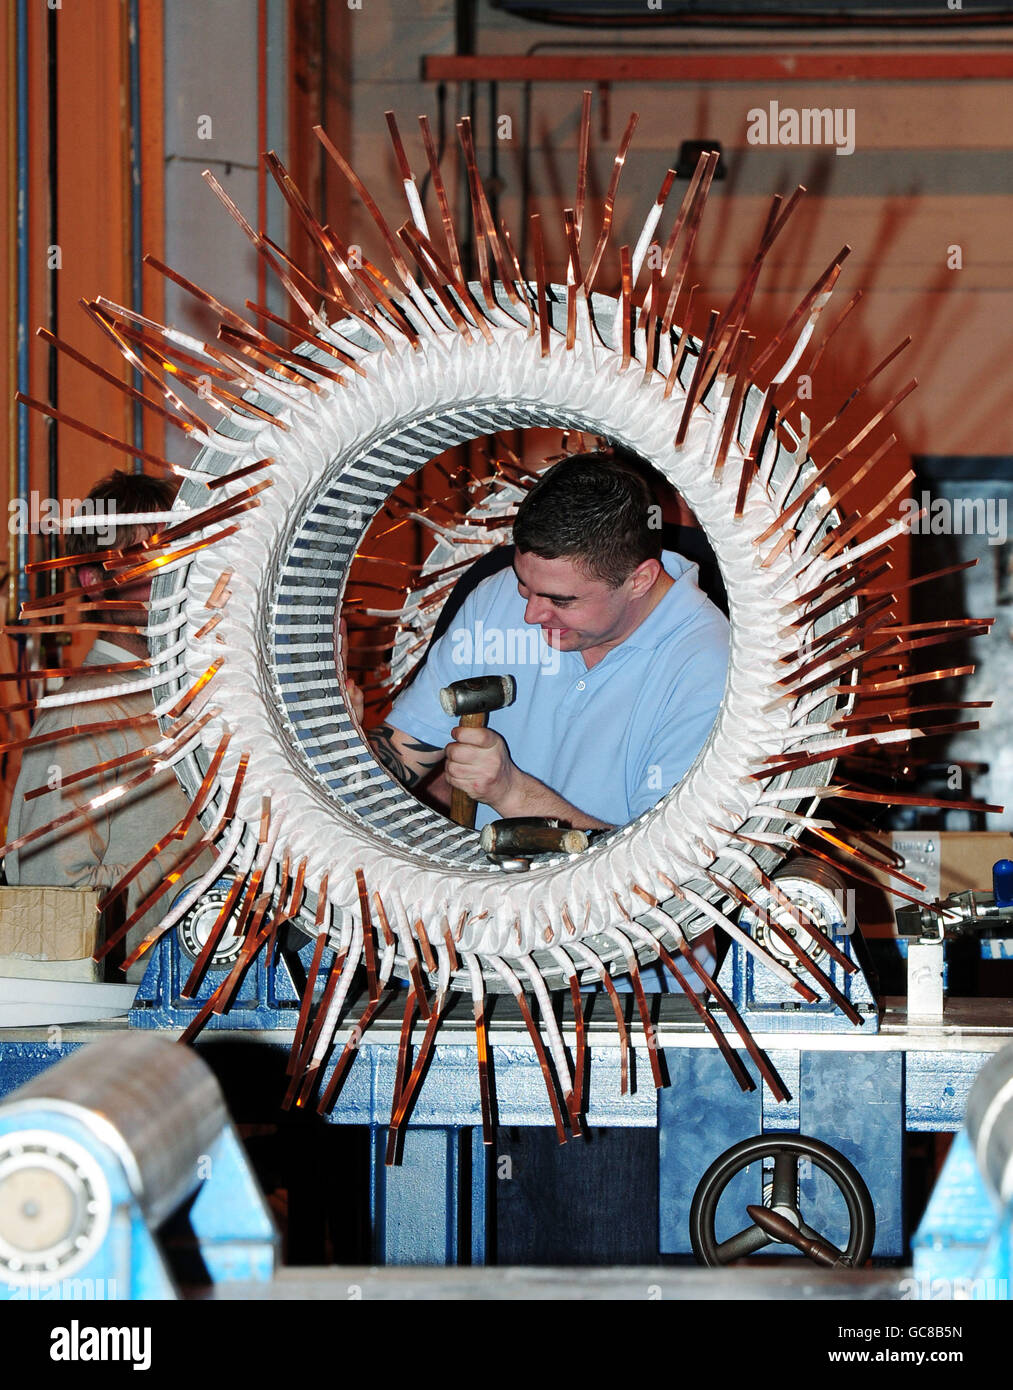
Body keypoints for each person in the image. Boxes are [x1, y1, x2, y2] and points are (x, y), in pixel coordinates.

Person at [347, 450, 729, 834]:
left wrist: (513, 793)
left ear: (640, 581)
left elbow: (666, 872)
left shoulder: (713, 667)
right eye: (523, 584)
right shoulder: (496, 598)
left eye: (561, 600)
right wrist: (338, 742)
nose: (530, 615)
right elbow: (402, 756)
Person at [4, 470, 212, 980]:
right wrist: (214, 862)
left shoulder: (203, 701)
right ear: (93, 581)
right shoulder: (84, 716)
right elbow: (50, 907)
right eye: (146, 559)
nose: (171, 577)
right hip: (131, 1024)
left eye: (180, 555)